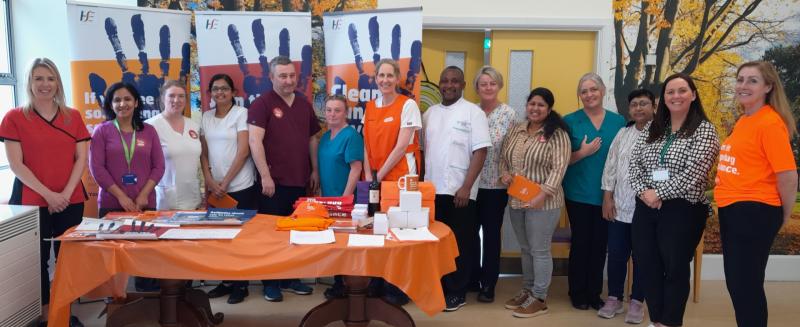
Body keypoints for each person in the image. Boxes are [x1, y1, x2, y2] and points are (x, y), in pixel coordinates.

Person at [0, 58, 88, 327]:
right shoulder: (14, 117)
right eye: (38, 78)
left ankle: (64, 314)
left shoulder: (73, 116)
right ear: (29, 82)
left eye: (50, 78)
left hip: (71, 198)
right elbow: (16, 165)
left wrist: (65, 193)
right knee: (36, 260)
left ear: (58, 83)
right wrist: (49, 195)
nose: (45, 84)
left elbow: (81, 160)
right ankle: (46, 316)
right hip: (30, 200)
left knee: (68, 258)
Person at [629, 73, 719, 327]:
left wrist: (659, 193)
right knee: (647, 264)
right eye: (670, 92)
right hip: (646, 205)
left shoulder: (704, 130)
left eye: (682, 91)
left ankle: (670, 322)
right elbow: (634, 164)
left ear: (693, 95)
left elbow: (695, 172)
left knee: (675, 267)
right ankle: (657, 319)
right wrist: (645, 192)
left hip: (683, 209)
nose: (676, 96)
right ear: (663, 98)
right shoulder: (652, 127)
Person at [714, 61, 797, 327]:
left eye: (752, 80)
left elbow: (788, 176)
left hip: (753, 210)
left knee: (745, 286)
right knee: (739, 284)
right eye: (740, 79)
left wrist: (783, 214)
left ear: (768, 87)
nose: (743, 85)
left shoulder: (769, 123)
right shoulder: (745, 120)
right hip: (734, 209)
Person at [248, 56, 320, 302]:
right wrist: (265, 176)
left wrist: (314, 170)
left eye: (292, 75)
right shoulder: (262, 104)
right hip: (273, 183)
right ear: (271, 77)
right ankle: (270, 283)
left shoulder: (304, 105)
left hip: (299, 180)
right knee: (271, 235)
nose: (288, 80)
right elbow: (254, 141)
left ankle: (290, 278)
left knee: (295, 234)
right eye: (282, 76)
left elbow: (312, 138)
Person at [422, 66, 490, 312]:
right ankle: (440, 286)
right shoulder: (429, 114)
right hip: (432, 191)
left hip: (460, 192)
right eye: (444, 81)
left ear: (463, 85)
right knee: (437, 243)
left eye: (454, 81)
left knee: (460, 244)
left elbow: (480, 151)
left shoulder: (474, 113)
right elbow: (423, 152)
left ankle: (457, 291)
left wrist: (466, 187)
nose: (448, 85)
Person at [499, 87, 570, 318]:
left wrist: (542, 194)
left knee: (539, 250)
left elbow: (559, 168)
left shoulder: (557, 134)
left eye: (541, 105)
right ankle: (528, 290)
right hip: (517, 200)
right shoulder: (517, 130)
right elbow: (503, 158)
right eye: (532, 103)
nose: (535, 108)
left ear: (549, 109)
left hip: (544, 203)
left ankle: (539, 298)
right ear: (526, 105)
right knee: (526, 248)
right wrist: (504, 174)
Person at [562, 72, 626, 310]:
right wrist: (583, 152)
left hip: (607, 195)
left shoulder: (618, 122)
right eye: (584, 91)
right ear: (579, 95)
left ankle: (594, 293)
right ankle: (577, 292)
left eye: (593, 89)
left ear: (603, 91)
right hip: (577, 193)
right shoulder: (569, 121)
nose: (589, 94)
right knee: (581, 243)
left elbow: (623, 159)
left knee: (600, 245)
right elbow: (560, 160)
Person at [361, 58, 422, 305]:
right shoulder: (370, 106)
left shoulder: (408, 105)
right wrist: (368, 175)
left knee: (401, 232)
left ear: (397, 79)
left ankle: (398, 288)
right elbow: (366, 144)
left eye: (389, 75)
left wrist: (378, 176)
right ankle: (377, 282)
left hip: (401, 178)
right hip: (376, 180)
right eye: (381, 75)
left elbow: (401, 146)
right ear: (375, 79)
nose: (385, 80)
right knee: (377, 230)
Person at [597, 89, 655, 323]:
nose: (638, 108)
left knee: (642, 256)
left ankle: (637, 301)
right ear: (629, 109)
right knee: (617, 254)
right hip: (619, 207)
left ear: (654, 106)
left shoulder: (661, 134)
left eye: (643, 103)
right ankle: (614, 298)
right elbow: (610, 166)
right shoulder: (623, 133)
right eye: (634, 104)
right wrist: (607, 198)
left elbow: (665, 171)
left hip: (647, 209)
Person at [199, 74, 258, 304]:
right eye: (215, 89)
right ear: (210, 93)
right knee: (221, 238)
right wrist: (209, 180)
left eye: (224, 88)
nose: (220, 92)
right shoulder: (205, 117)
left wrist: (225, 183)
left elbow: (243, 151)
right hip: (215, 188)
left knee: (240, 238)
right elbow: (203, 153)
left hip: (240, 185)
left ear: (233, 92)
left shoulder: (241, 114)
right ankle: (226, 281)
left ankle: (241, 285)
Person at [471, 66, 517, 303]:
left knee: (491, 235)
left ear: (499, 86)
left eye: (492, 83)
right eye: (483, 84)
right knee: (469, 234)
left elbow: (514, 150)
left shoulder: (508, 114)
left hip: (495, 186)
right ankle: (471, 278)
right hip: (469, 184)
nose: (488, 88)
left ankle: (488, 283)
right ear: (477, 87)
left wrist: (509, 174)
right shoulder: (470, 111)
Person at [90, 82, 165, 218]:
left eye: (127, 99)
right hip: (111, 203)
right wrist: (121, 197)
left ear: (136, 103)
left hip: (144, 203)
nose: (122, 104)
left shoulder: (149, 131)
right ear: (111, 105)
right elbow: (97, 168)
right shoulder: (101, 131)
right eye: (117, 100)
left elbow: (159, 167)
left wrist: (144, 195)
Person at [318, 94, 364, 299]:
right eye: (329, 110)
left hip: (345, 200)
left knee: (345, 245)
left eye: (337, 110)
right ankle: (339, 284)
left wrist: (345, 200)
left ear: (346, 113)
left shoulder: (351, 136)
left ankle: (347, 287)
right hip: (328, 199)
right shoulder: (325, 137)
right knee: (334, 243)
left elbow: (356, 169)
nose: (332, 114)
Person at [146, 80, 202, 211]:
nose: (176, 100)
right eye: (171, 96)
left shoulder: (194, 125)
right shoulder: (150, 126)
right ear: (163, 98)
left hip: (192, 197)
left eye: (181, 96)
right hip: (165, 199)